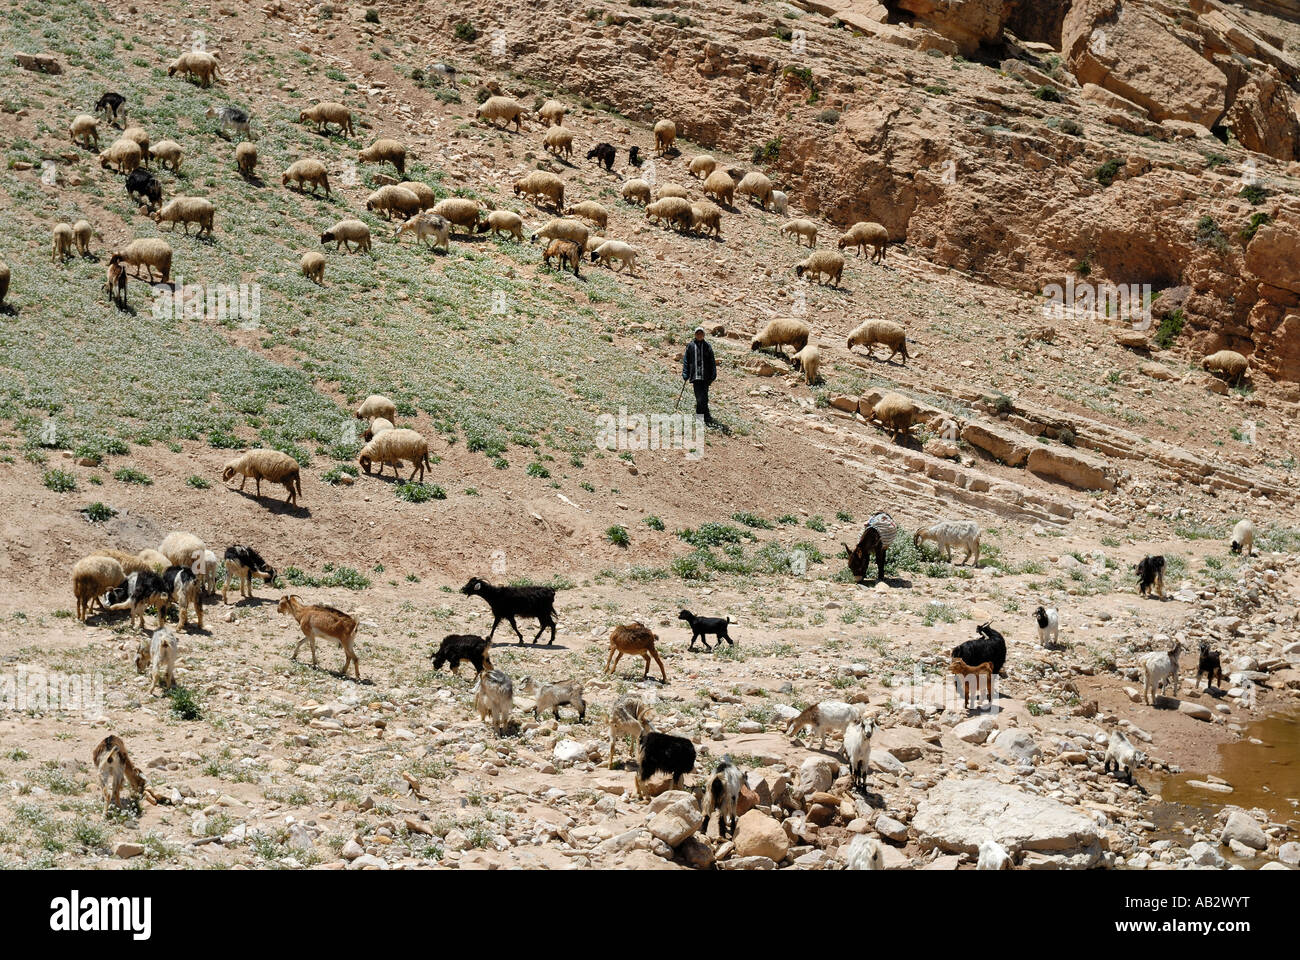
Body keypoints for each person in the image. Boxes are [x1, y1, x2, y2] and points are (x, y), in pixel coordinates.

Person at [682, 325, 717, 426]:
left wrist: (713, 373)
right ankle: (701, 417)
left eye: (701, 333)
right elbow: (686, 361)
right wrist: (685, 372)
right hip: (695, 377)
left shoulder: (707, 346)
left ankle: (706, 416)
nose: (699, 335)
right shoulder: (690, 346)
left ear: (704, 335)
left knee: (705, 397)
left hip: (705, 377)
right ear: (695, 335)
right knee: (699, 397)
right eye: (698, 333)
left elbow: (712, 361)